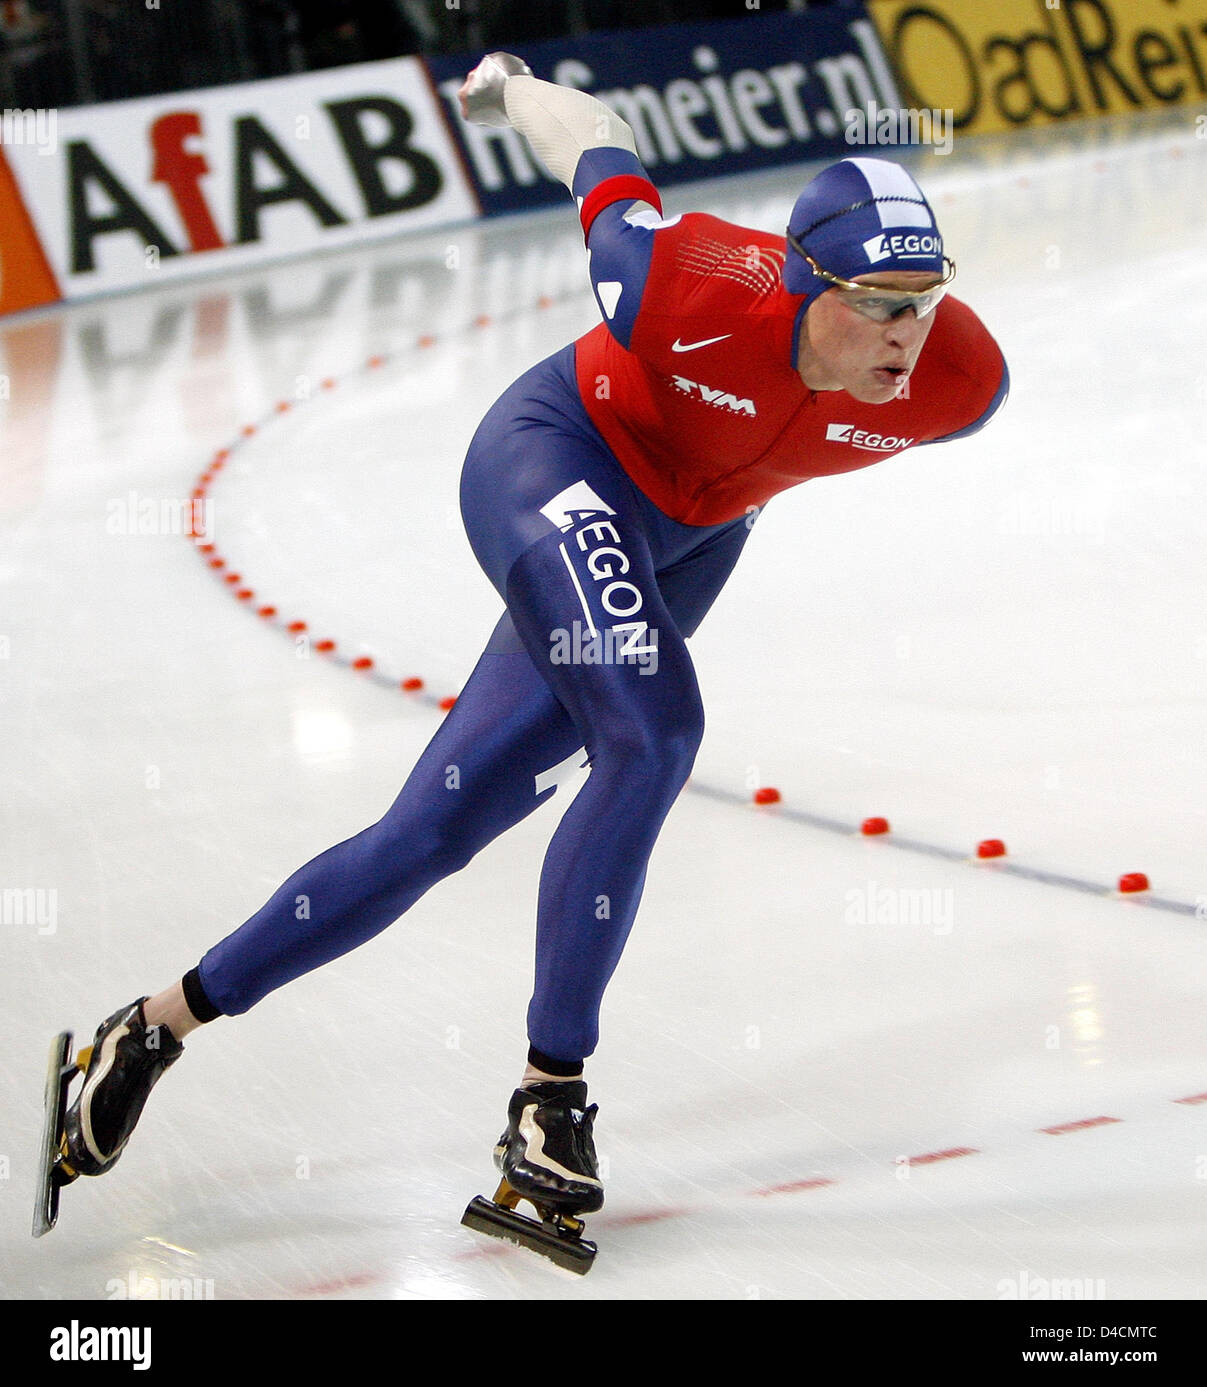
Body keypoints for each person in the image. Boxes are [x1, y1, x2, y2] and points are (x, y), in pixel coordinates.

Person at [46, 54, 1008, 1257]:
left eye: (923, 297)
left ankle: (148, 1027)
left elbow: (850, 397)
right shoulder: (685, 282)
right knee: (654, 734)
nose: (905, 332)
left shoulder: (960, 381)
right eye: (876, 299)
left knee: (431, 833)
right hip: (560, 458)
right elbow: (595, 140)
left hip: (692, 537)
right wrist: (511, 89)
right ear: (805, 280)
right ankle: (551, 1100)